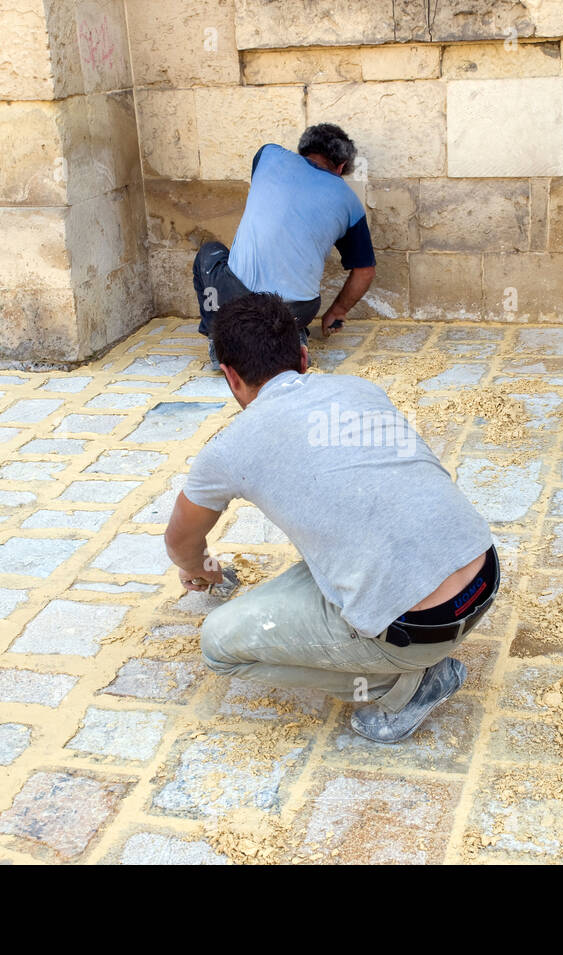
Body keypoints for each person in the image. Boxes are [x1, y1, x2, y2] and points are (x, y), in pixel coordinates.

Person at [164, 293, 499, 742]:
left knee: (219, 644)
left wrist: (203, 572)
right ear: (303, 357)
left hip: (421, 629)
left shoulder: (227, 449)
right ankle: (405, 658)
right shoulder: (360, 388)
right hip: (485, 574)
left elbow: (181, 542)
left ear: (230, 377)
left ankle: (406, 686)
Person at [191, 124, 377, 370]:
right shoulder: (350, 202)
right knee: (285, 310)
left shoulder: (268, 155)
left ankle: (219, 338)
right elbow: (365, 271)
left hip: (237, 297)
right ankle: (292, 335)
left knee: (209, 252)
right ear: (341, 166)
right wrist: (338, 311)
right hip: (299, 309)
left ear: (303, 151)